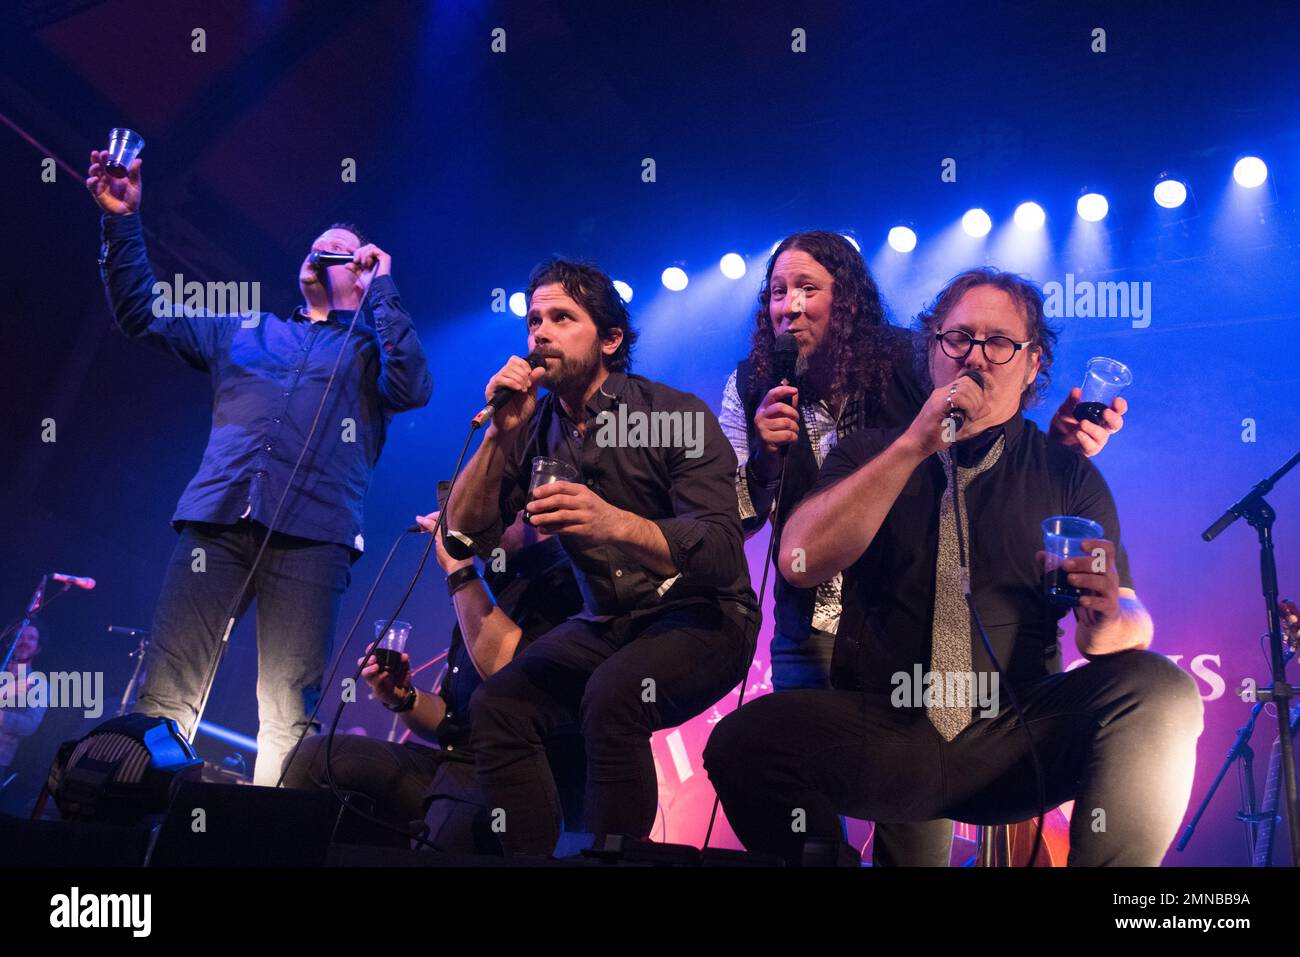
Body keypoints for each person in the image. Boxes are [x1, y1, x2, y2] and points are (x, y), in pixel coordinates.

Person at [704, 268, 1203, 866]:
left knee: (1160, 690)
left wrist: (1105, 621)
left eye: (999, 343)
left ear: (1032, 362)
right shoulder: (870, 451)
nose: (976, 357)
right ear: (933, 350)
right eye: (958, 338)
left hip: (1013, 734)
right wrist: (916, 442)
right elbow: (800, 561)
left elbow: (1129, 620)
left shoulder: (1066, 472)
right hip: (889, 730)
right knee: (742, 742)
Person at [86, 149, 432, 785]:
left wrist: (383, 288)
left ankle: (269, 841)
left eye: (341, 250)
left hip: (315, 538)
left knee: (285, 708)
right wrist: (121, 221)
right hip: (216, 520)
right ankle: (140, 826)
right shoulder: (242, 329)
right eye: (315, 245)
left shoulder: (368, 353)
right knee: (167, 686)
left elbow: (412, 387)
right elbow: (142, 312)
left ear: (358, 272)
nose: (320, 252)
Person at [448, 258, 759, 857]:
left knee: (615, 694)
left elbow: (721, 551)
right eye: (534, 320)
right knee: (499, 705)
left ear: (610, 339)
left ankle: (611, 857)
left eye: (562, 318)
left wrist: (615, 522)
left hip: (703, 614)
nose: (540, 332)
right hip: (610, 622)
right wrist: (497, 435)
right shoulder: (531, 425)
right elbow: (464, 535)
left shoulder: (674, 417)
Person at [282, 511, 586, 853]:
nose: (475, 522)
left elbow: (518, 686)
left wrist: (461, 571)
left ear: (525, 511)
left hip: (510, 778)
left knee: (442, 837)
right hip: (453, 765)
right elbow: (451, 722)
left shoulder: (569, 582)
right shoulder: (494, 581)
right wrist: (403, 698)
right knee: (310, 760)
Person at [0, 620, 47, 788]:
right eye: (20, 636)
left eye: (31, 638)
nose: (24, 641)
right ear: (9, 643)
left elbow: (29, 725)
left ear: (38, 648)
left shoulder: (38, 684)